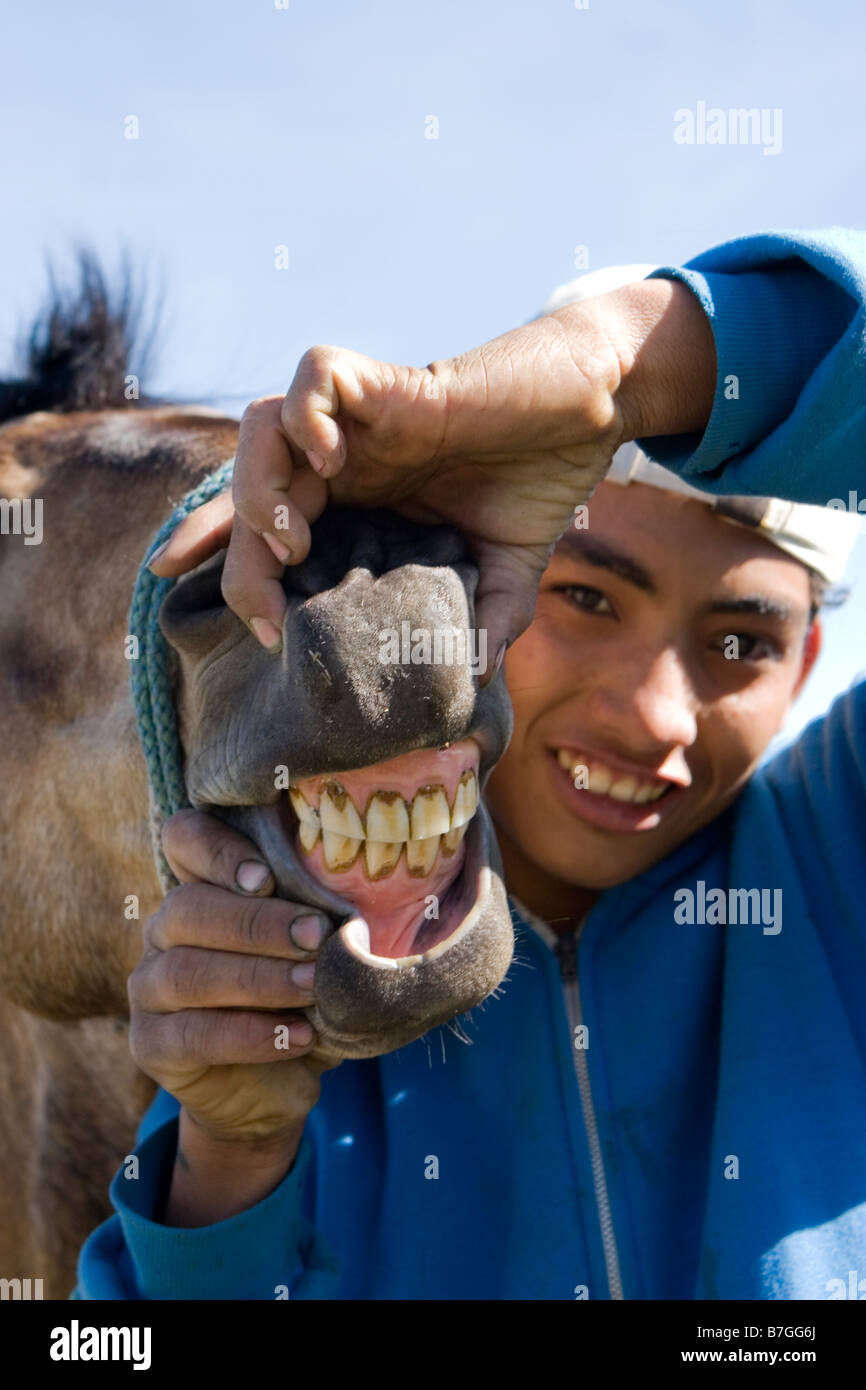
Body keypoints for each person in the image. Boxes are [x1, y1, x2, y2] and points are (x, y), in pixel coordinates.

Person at [74, 229, 866, 1299]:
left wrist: (612, 366)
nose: (652, 719)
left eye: (742, 644)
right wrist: (228, 1170)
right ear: (462, 589)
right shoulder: (292, 975)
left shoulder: (836, 850)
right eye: (582, 598)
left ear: (806, 656)